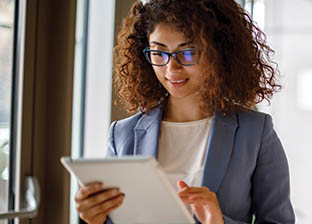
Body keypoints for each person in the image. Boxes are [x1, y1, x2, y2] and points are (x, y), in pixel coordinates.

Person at [74, 0, 296, 223]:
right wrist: (93, 218)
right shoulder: (122, 134)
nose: (171, 69)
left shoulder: (255, 133)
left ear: (217, 51)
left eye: (188, 52)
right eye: (159, 53)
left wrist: (219, 221)